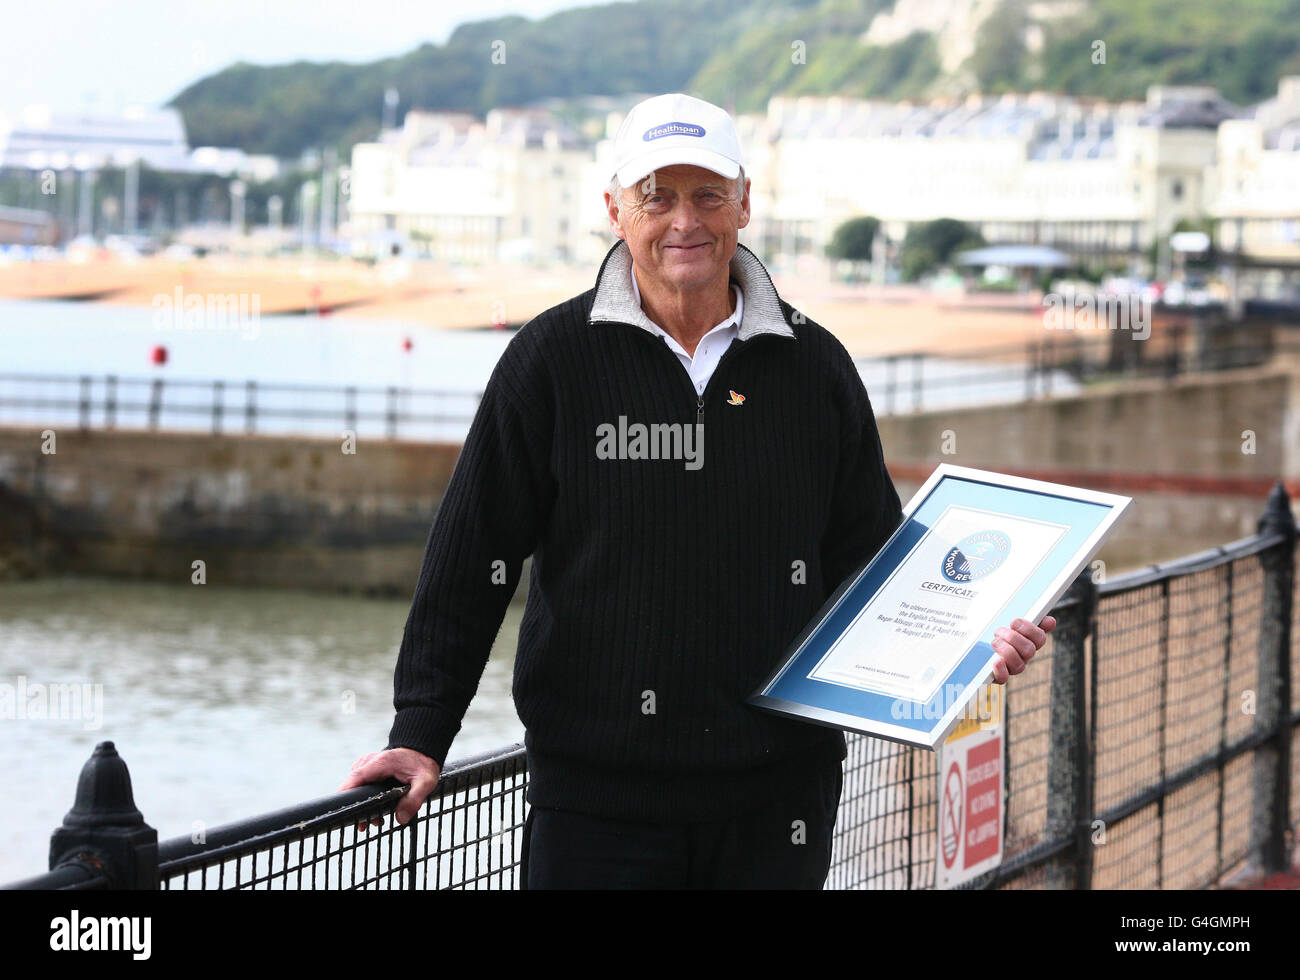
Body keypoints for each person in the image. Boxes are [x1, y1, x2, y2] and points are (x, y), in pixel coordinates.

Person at [340, 92, 1054, 888]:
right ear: (614, 209)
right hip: (594, 809)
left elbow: (875, 569)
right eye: (657, 197)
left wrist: (973, 642)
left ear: (745, 203)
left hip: (779, 803)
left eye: (708, 195)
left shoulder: (815, 366)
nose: (685, 220)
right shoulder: (548, 362)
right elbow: (473, 560)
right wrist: (421, 730)